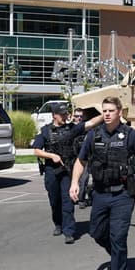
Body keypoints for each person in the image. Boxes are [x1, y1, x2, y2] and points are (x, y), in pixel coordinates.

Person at [69, 96, 135, 270]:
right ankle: (118, 255)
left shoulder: (130, 135)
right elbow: (81, 162)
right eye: (104, 111)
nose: (107, 114)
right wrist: (74, 183)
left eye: (111, 111)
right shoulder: (94, 136)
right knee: (96, 232)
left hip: (123, 194)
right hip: (99, 193)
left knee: (118, 235)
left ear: (120, 112)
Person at [31, 103, 101, 244]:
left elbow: (91, 123)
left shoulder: (72, 129)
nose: (65, 116)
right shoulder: (45, 131)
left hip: (67, 170)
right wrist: (52, 156)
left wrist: (104, 114)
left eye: (66, 114)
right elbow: (36, 150)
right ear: (54, 116)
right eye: (62, 114)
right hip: (52, 170)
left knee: (68, 200)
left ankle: (69, 231)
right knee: (54, 200)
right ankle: (58, 224)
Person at [71, 108, 92, 209]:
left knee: (84, 179)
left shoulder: (87, 128)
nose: (79, 118)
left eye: (81, 116)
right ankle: (72, 197)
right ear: (73, 117)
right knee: (72, 179)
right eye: (76, 116)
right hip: (71, 157)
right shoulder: (69, 128)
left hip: (84, 157)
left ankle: (81, 199)